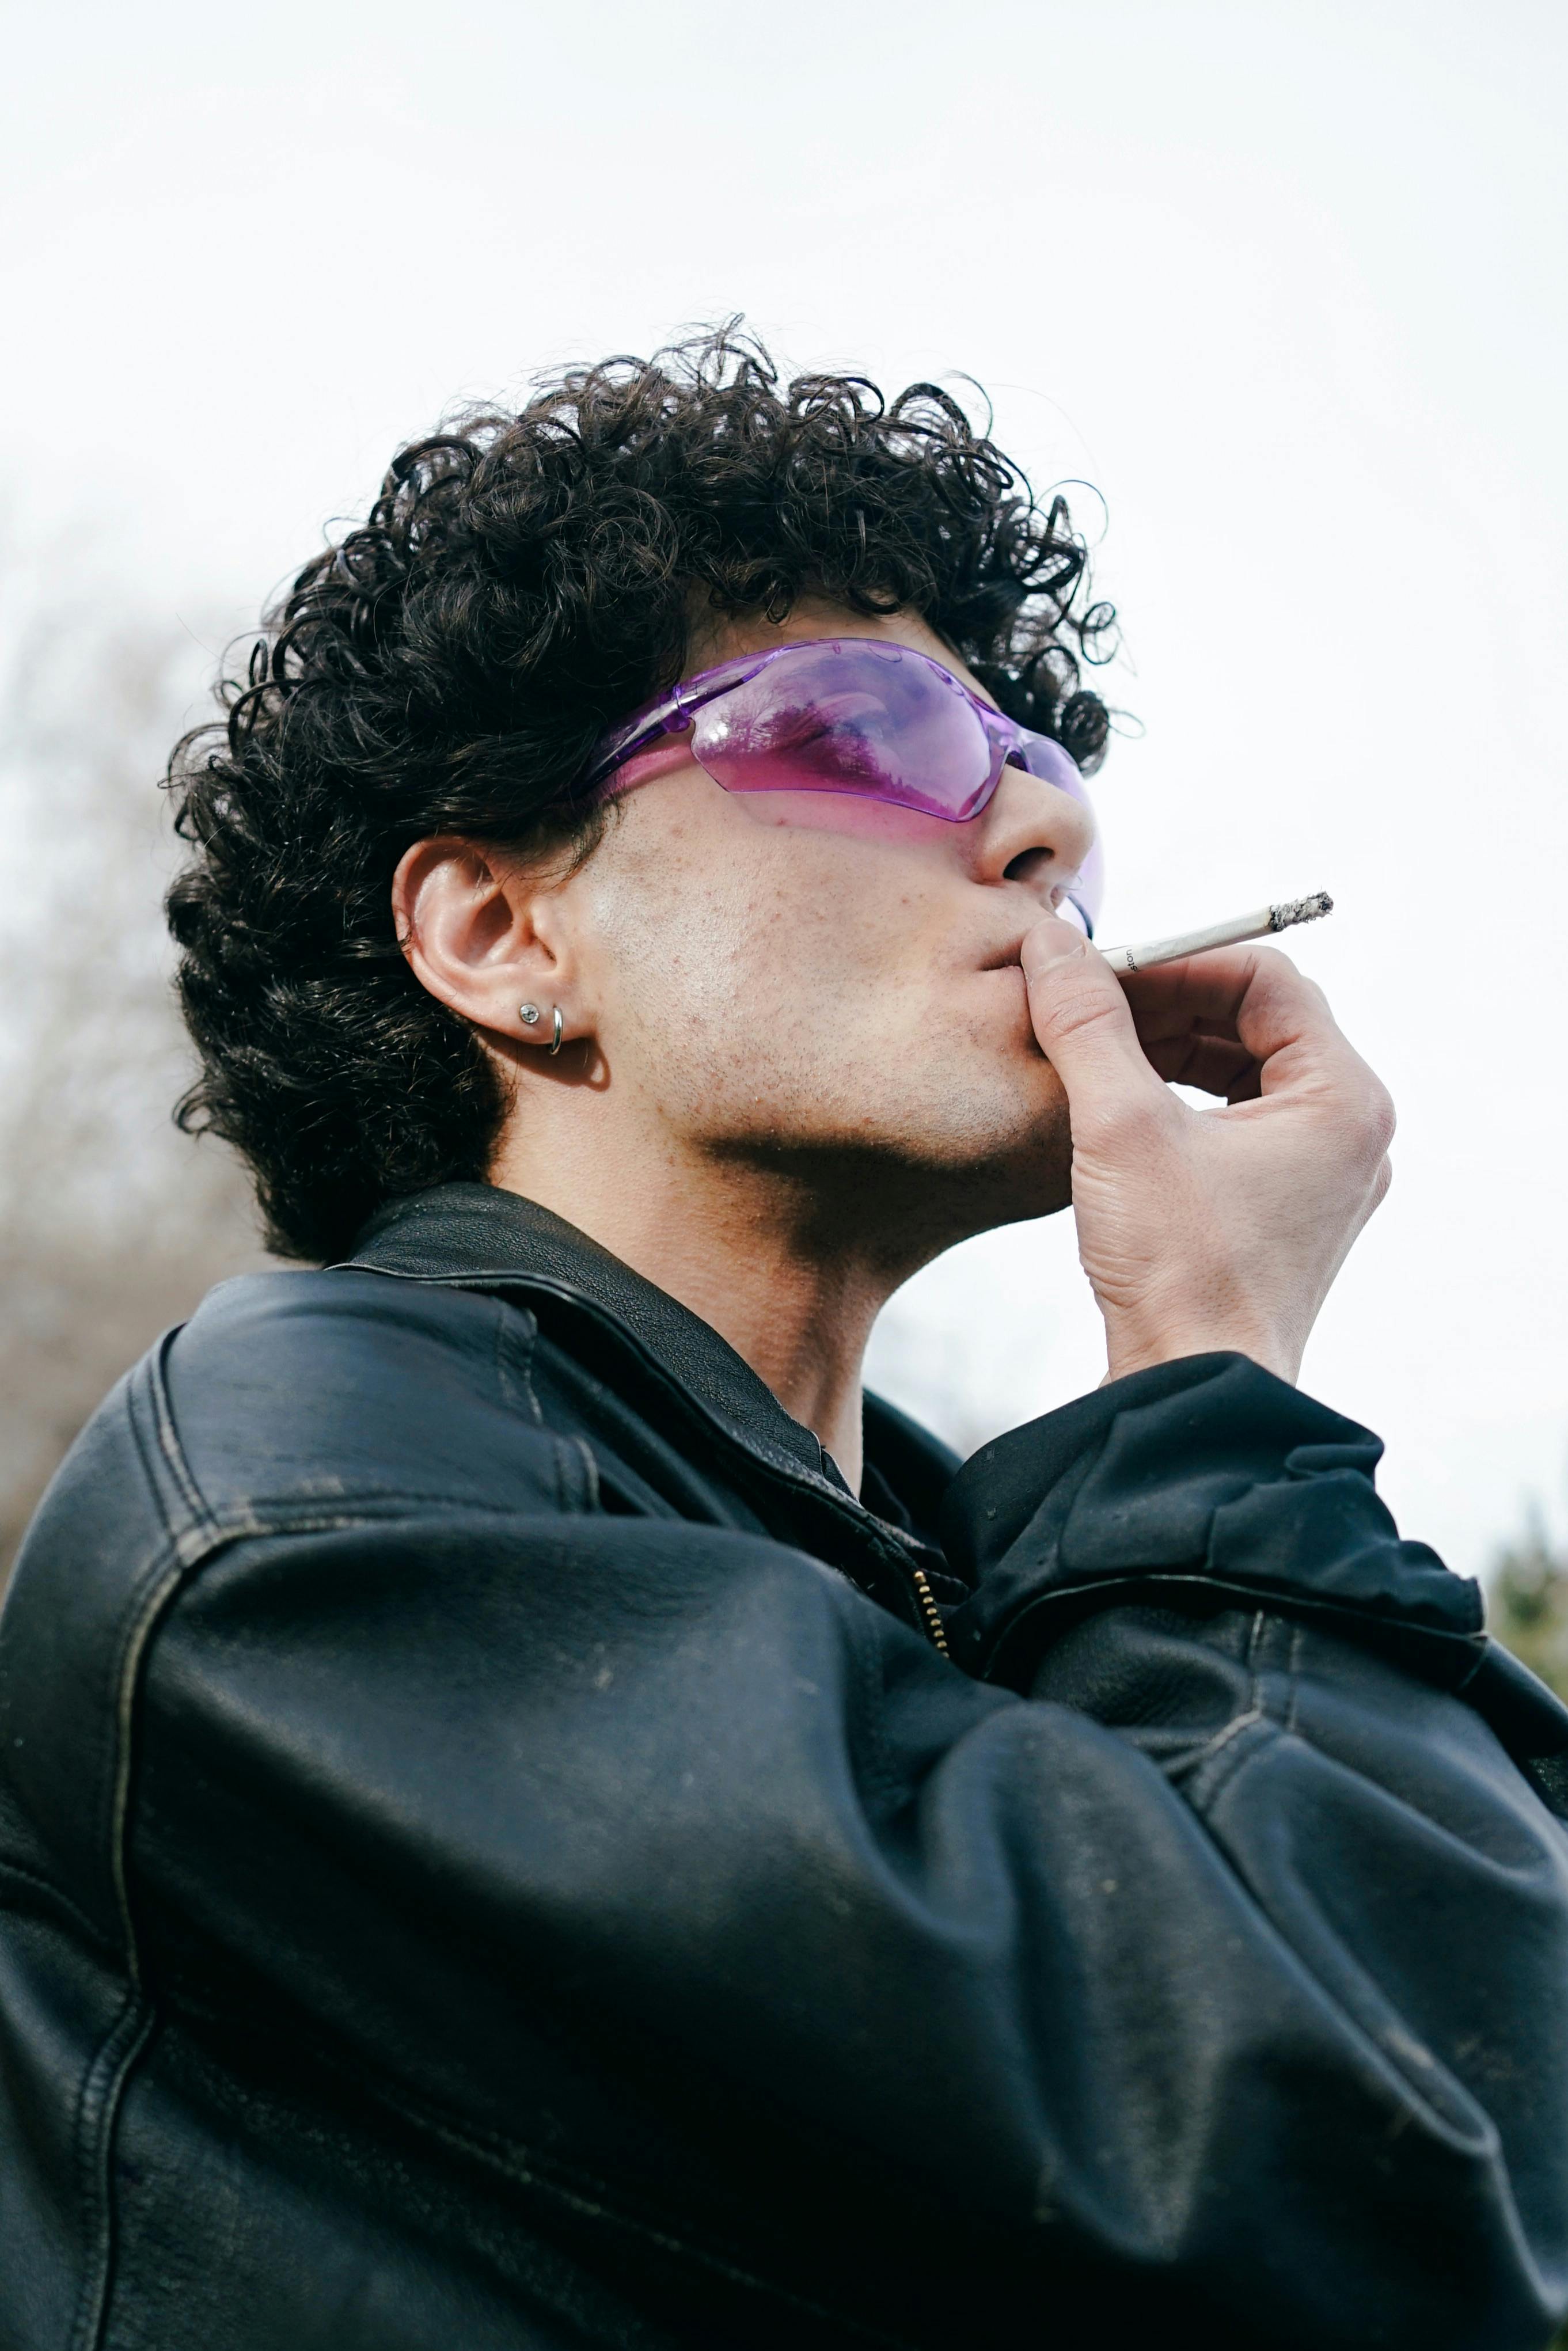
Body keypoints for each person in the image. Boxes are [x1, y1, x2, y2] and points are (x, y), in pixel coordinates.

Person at [2, 331, 1565, 2351]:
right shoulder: (298, 1507)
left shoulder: (987, 1572)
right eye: (866, 728)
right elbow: (1365, 2202)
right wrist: (1205, 1361)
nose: (1043, 840)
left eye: (1040, 772)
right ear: (502, 934)